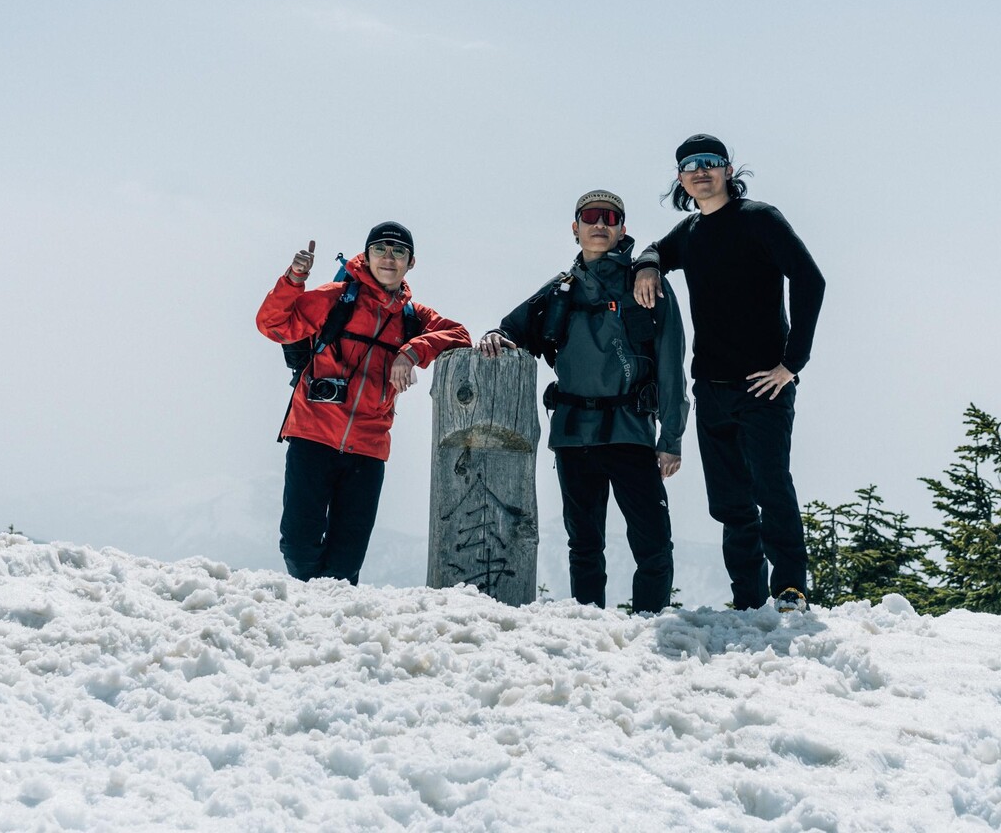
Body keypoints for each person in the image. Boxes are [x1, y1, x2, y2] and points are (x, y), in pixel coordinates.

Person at [632, 134, 825, 613]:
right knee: (730, 502)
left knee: (772, 486)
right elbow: (655, 248)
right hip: (711, 389)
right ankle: (746, 599)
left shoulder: (759, 219)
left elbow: (810, 279)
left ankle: (789, 590)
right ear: (681, 179)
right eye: (691, 166)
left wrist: (791, 364)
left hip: (764, 384)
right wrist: (649, 265)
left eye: (711, 163)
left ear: (728, 170)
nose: (701, 171)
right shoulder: (692, 231)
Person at [478, 190, 688, 614]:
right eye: (590, 216)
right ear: (575, 228)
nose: (600, 224)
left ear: (622, 228)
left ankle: (650, 623)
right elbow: (510, 329)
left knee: (652, 542)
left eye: (610, 217)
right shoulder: (559, 291)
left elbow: (671, 363)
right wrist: (495, 336)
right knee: (584, 543)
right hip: (574, 435)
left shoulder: (647, 284)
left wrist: (672, 436)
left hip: (631, 432)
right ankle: (588, 626)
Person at [257, 221, 470, 585]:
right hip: (312, 435)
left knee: (346, 560)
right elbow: (273, 324)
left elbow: (460, 336)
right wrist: (294, 279)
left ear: (411, 262)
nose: (389, 257)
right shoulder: (336, 298)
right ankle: (311, 616)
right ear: (367, 256)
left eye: (398, 251)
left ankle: (331, 630)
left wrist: (411, 351)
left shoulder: (411, 317)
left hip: (368, 450)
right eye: (381, 249)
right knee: (297, 546)